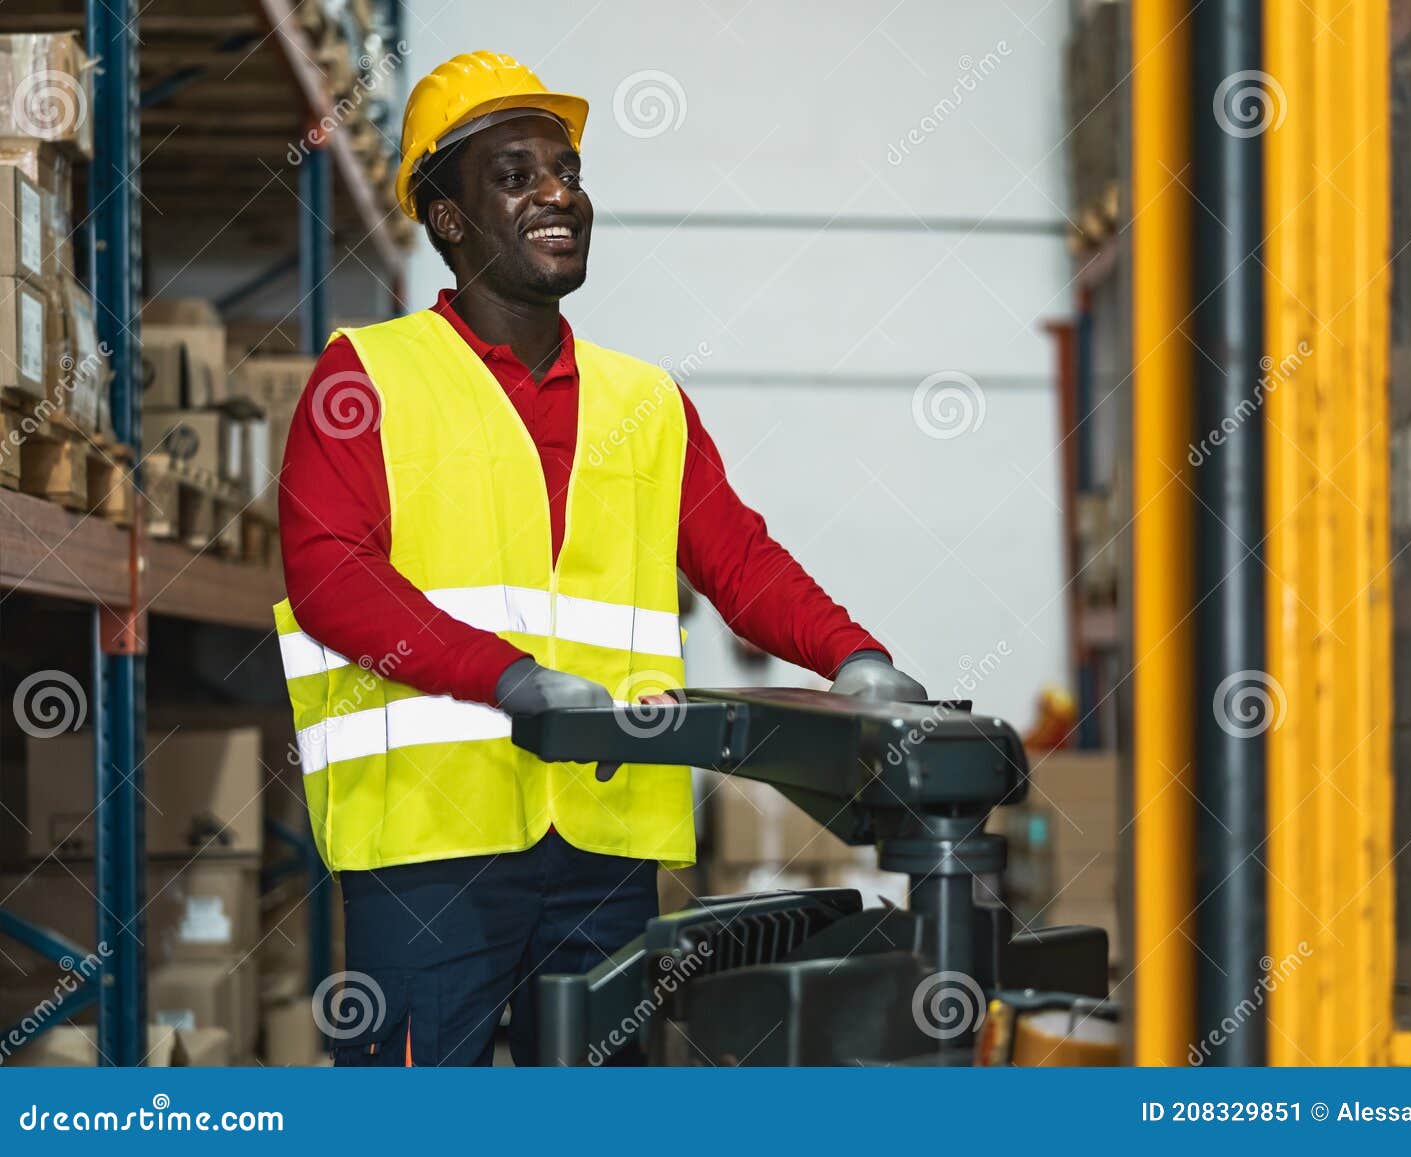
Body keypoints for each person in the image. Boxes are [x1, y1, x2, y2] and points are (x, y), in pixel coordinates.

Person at [272, 51, 925, 1066]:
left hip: (607, 842)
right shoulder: (367, 377)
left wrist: (855, 658)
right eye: (515, 173)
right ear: (446, 219)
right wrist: (507, 677)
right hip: (433, 849)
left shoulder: (644, 402)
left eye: (568, 170)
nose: (558, 193)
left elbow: (737, 557)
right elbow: (329, 574)